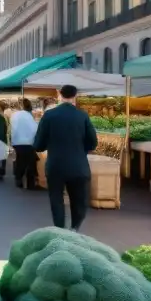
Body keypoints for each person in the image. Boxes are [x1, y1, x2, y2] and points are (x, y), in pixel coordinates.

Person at [33, 84, 98, 231]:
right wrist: (81, 151)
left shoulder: (49, 116)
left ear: (60, 95)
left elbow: (38, 144)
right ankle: (75, 228)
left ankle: (60, 229)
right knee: (79, 200)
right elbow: (93, 142)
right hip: (78, 166)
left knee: (56, 199)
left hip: (55, 165)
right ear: (76, 96)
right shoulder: (83, 116)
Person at [10, 98, 39, 190]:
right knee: (30, 161)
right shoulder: (29, 115)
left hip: (17, 141)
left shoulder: (14, 115)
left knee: (20, 159)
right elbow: (34, 129)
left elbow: (13, 128)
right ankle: (30, 182)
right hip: (28, 142)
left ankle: (19, 178)